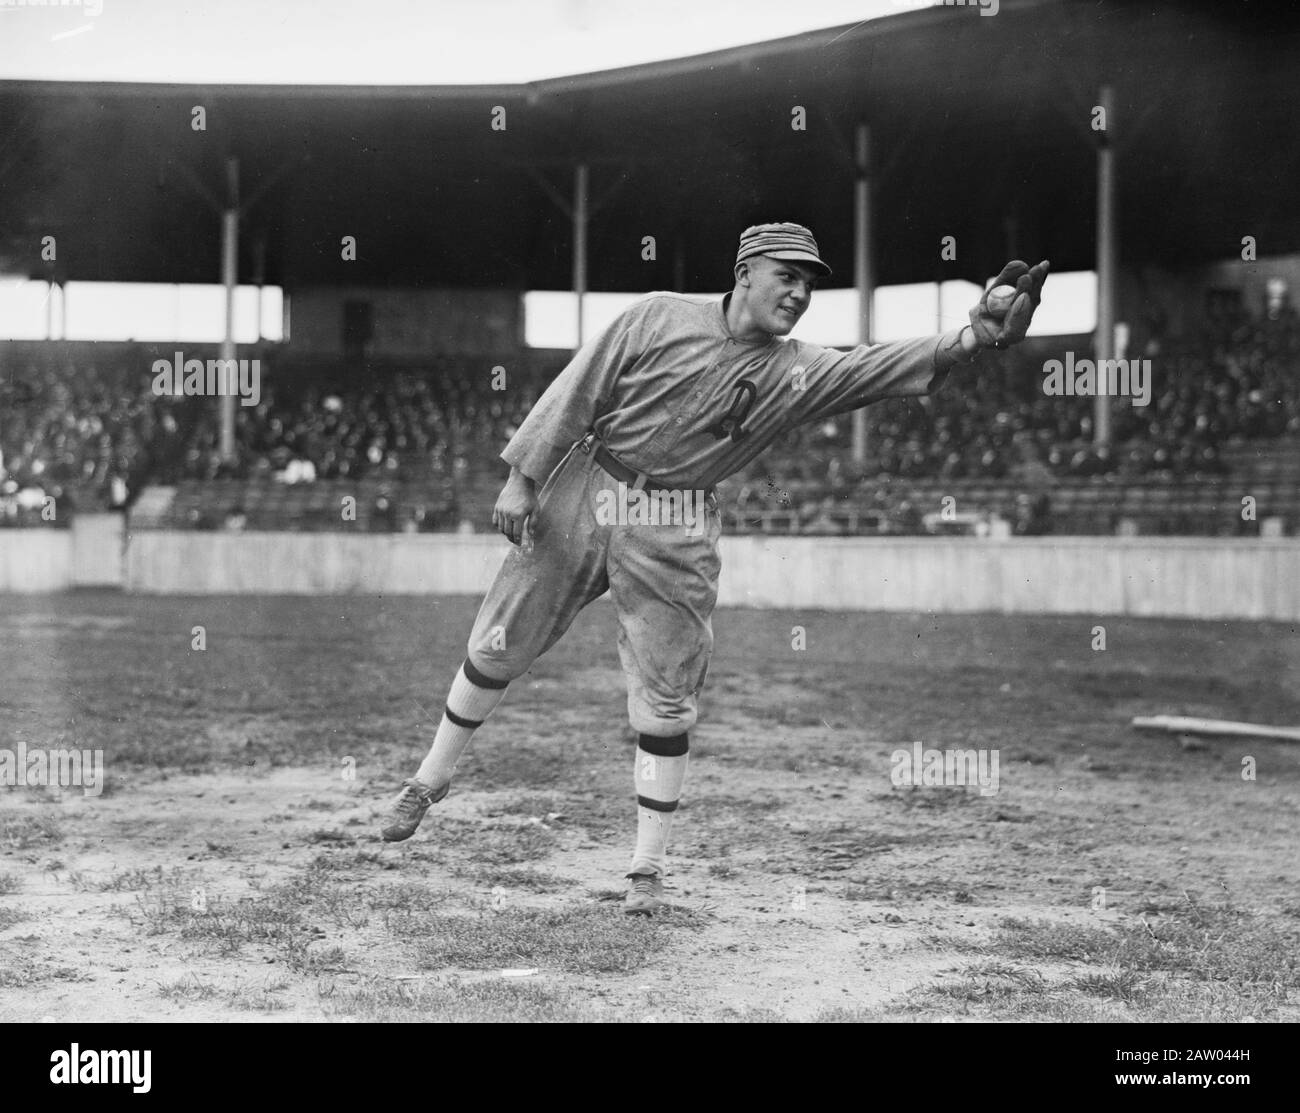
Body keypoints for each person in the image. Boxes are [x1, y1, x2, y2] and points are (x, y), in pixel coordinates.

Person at [380, 222, 1049, 914]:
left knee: (668, 693)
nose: (800, 292)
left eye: (810, 282)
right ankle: (430, 779)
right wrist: (525, 474)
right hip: (590, 483)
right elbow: (579, 385)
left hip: (677, 523)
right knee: (498, 639)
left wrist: (971, 338)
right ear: (745, 273)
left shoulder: (797, 368)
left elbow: (874, 368)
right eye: (787, 275)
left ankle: (645, 869)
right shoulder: (657, 315)